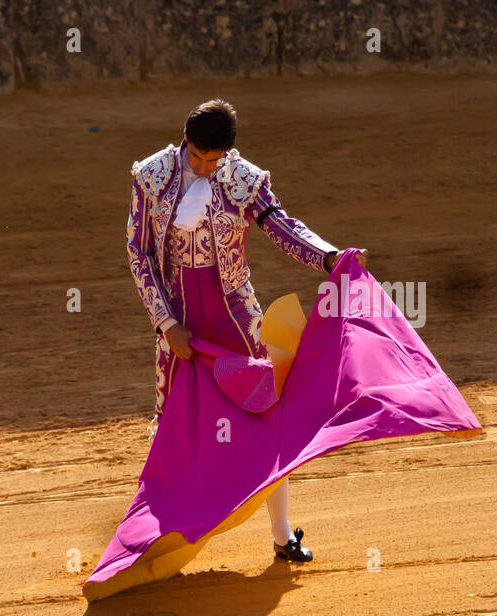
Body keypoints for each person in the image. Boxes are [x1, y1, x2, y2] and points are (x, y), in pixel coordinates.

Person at [126, 98, 367, 562]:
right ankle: (148, 541)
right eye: (196, 156)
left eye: (213, 160)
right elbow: (138, 253)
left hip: (236, 317)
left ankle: (281, 536)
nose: (203, 166)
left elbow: (280, 225)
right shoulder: (151, 176)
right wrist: (165, 323)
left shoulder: (242, 179)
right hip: (180, 320)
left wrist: (328, 257)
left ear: (228, 154)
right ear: (184, 140)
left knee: (267, 418)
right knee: (171, 428)